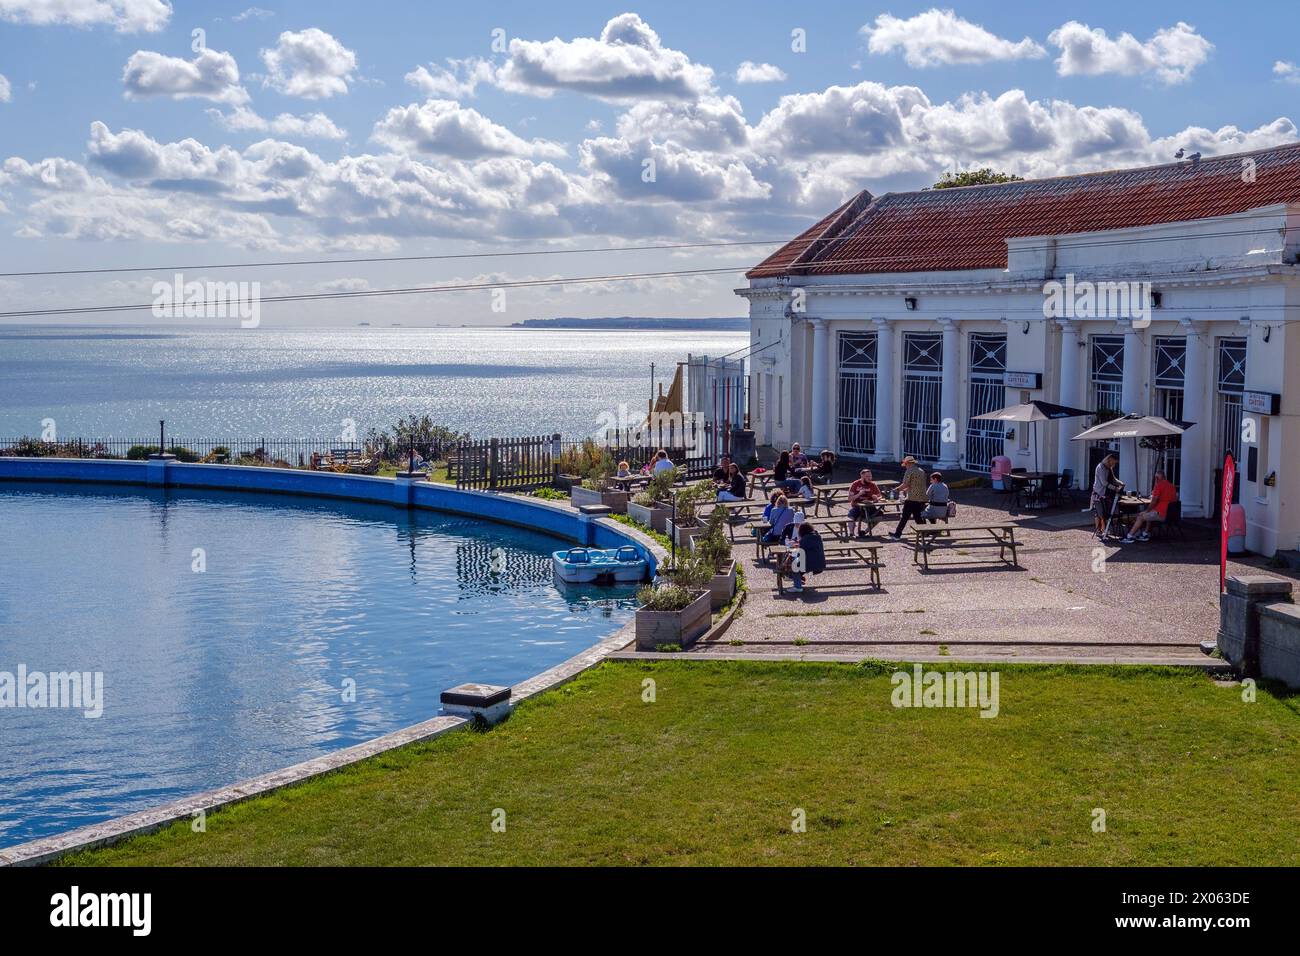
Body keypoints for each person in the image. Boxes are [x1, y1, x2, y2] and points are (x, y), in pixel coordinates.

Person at [1124, 471, 1178, 543]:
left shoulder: (1158, 485)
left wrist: (1146, 510)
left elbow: (1154, 501)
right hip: (1171, 514)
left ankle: (1129, 536)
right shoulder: (1172, 486)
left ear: (1157, 478)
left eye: (1156, 477)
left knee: (1140, 516)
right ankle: (1145, 534)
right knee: (1149, 513)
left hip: (1161, 514)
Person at [889, 456, 929, 539]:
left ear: (908, 463)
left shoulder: (909, 471)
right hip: (921, 497)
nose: (905, 466)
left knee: (905, 516)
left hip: (912, 498)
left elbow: (905, 484)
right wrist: (904, 489)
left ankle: (897, 534)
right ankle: (924, 532)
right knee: (917, 516)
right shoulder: (921, 471)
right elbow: (916, 484)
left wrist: (896, 489)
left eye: (906, 464)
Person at [785, 522, 826, 594]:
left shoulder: (805, 539)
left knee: (794, 564)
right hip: (820, 562)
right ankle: (798, 580)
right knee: (799, 562)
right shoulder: (817, 536)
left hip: (812, 563)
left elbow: (800, 553)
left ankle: (797, 586)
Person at [1091, 452, 1124, 539]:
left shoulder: (1109, 468)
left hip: (1106, 492)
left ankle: (1104, 529)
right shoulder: (1101, 467)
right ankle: (1099, 530)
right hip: (1099, 492)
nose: (1114, 464)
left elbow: (1113, 479)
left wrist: (1121, 483)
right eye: (1114, 462)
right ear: (1109, 460)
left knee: (1106, 511)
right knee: (1099, 512)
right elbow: (1104, 482)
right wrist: (1115, 488)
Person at [846, 468, 884, 538]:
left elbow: (880, 496)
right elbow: (849, 498)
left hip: (870, 506)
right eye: (867, 476)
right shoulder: (855, 484)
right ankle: (851, 534)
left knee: (880, 516)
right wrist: (859, 494)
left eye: (870, 476)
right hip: (857, 506)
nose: (870, 478)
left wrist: (876, 498)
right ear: (862, 476)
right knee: (850, 516)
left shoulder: (873, 485)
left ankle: (864, 532)